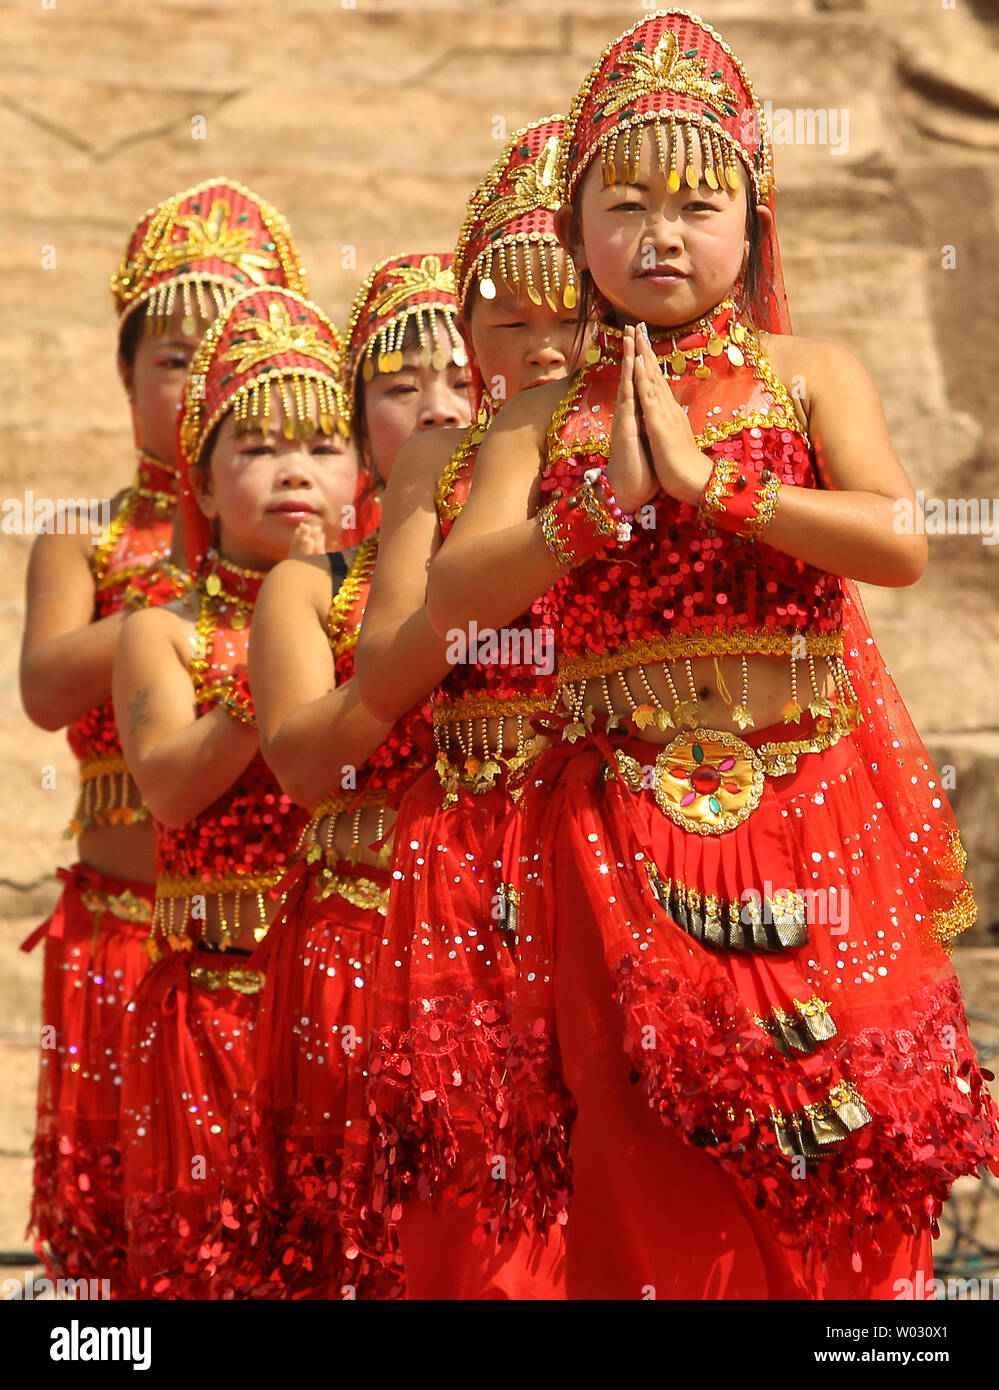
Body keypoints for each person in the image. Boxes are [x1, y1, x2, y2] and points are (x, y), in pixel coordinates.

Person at [426, 9, 999, 1300]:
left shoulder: (809, 376)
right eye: (621, 204)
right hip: (613, 828)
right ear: (572, 232)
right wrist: (597, 506)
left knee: (844, 1148)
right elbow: (457, 593)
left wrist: (713, 489)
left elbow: (898, 538)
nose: (660, 234)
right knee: (640, 1163)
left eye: (696, 201)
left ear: (755, 218)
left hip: (815, 805)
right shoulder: (535, 418)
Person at [18, 178, 306, 1290]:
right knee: (117, 1222)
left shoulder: (305, 541)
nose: (201, 379)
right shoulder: (87, 542)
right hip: (124, 926)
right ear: (124, 372)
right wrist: (186, 611)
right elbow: (45, 684)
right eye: (176, 358)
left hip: (270, 932)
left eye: (233, 351)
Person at [201, 253, 468, 1299]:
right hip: (358, 938)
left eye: (459, 376)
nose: (440, 405)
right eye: (401, 388)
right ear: (360, 435)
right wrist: (408, 658)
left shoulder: (543, 553)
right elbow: (307, 763)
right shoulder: (309, 590)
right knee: (356, 1238)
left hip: (518, 928)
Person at [354, 119, 585, 1299]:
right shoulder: (433, 465)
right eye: (509, 321)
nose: (543, 348)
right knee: (476, 1176)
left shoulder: (635, 437)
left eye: (567, 317)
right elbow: (389, 653)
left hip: (615, 829)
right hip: (463, 842)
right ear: (469, 327)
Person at [112, 285, 354, 1298]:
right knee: (215, 1267)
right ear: (201, 487)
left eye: (320, 445)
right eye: (253, 448)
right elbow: (167, 787)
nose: (293, 469)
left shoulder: (380, 611)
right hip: (217, 1000)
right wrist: (275, 681)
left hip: (349, 992)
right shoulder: (161, 628)